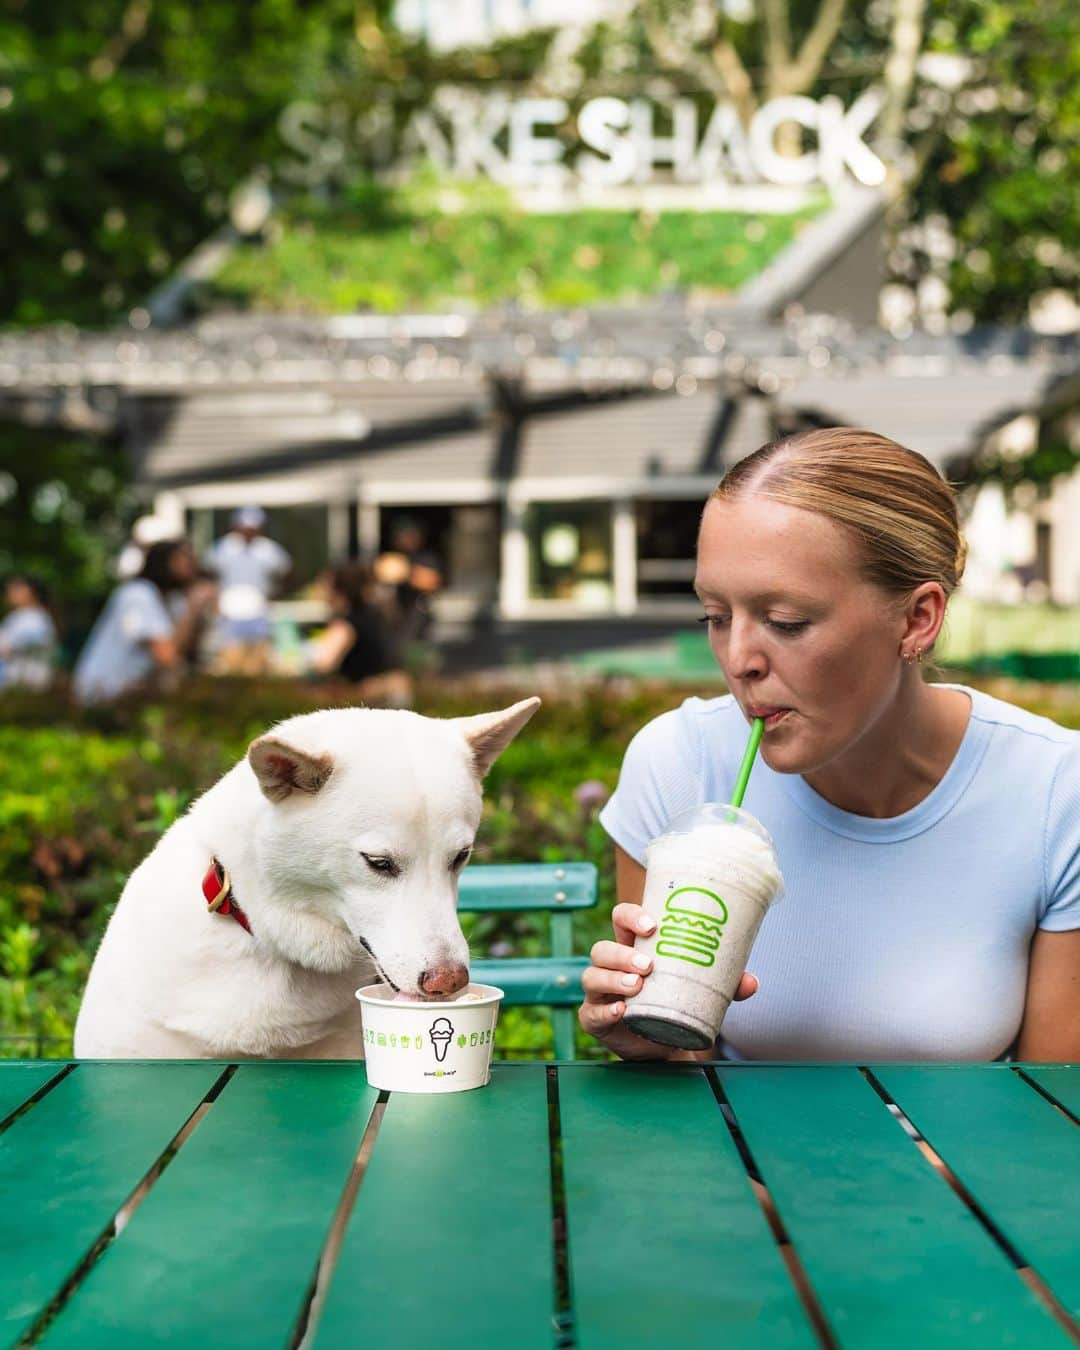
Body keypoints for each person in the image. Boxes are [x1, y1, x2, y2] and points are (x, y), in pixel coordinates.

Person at [580, 428, 1080, 1065]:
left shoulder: (1057, 793)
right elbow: (685, 1097)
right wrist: (647, 1040)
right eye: (716, 616)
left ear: (917, 618)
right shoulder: (681, 763)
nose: (738, 661)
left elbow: (1052, 1112)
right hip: (743, 1164)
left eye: (787, 622)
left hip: (954, 1166)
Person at [72, 539, 217, 704]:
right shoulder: (138, 594)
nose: (191, 568)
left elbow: (187, 655)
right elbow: (168, 656)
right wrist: (193, 607)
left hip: (131, 695)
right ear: (163, 562)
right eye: (184, 560)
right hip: (104, 693)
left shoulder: (173, 601)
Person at [306, 560, 412, 706]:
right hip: (396, 693)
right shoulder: (375, 614)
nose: (320, 592)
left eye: (324, 587)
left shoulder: (346, 623)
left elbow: (323, 663)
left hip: (374, 700)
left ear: (338, 591)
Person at [203, 506, 291, 676]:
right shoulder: (222, 548)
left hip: (258, 612)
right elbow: (207, 574)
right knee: (231, 663)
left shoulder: (269, 550)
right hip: (229, 614)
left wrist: (275, 594)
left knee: (257, 664)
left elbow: (287, 573)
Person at [374, 516, 444, 644]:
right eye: (402, 536)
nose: (406, 540)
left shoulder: (425, 557)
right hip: (394, 617)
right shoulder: (392, 556)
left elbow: (433, 581)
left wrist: (405, 572)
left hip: (418, 615)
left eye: (410, 535)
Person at [0, 574, 58, 690]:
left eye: (17, 588)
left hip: (24, 681)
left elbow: (7, 648)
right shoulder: (17, 616)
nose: (10, 592)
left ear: (31, 591)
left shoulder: (36, 618)